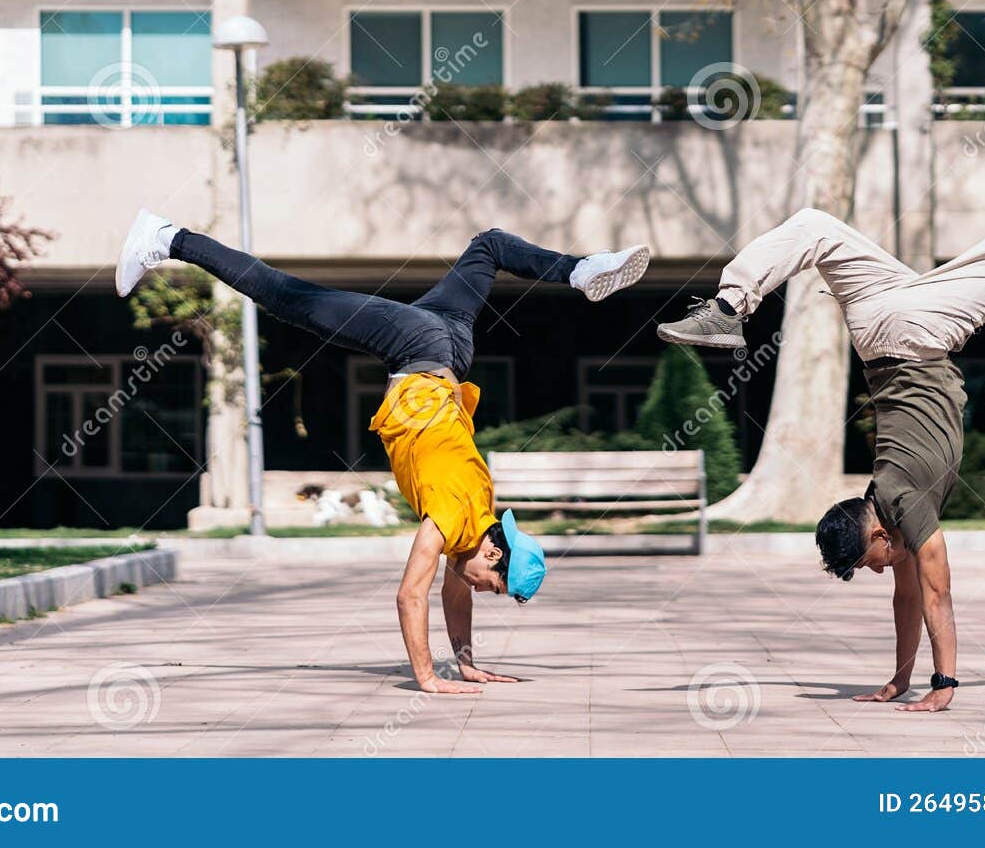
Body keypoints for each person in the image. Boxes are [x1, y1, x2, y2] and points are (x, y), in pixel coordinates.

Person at [656, 123, 985, 713]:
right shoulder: (889, 501)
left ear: (878, 534)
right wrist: (899, 679)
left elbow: (937, 593)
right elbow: (907, 598)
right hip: (881, 322)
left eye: (868, 563)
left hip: (917, 333)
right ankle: (728, 303)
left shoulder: (905, 504)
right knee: (815, 228)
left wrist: (942, 686)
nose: (879, 572)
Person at [115, 212, 650, 694]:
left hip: (451, 344)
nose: (486, 593)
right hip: (419, 348)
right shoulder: (449, 519)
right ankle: (168, 237)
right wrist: (427, 678)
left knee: (489, 246)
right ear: (492, 555)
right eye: (497, 588)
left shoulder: (477, 515)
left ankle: (581, 271)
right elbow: (408, 596)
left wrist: (464, 662)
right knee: (284, 295)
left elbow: (455, 592)